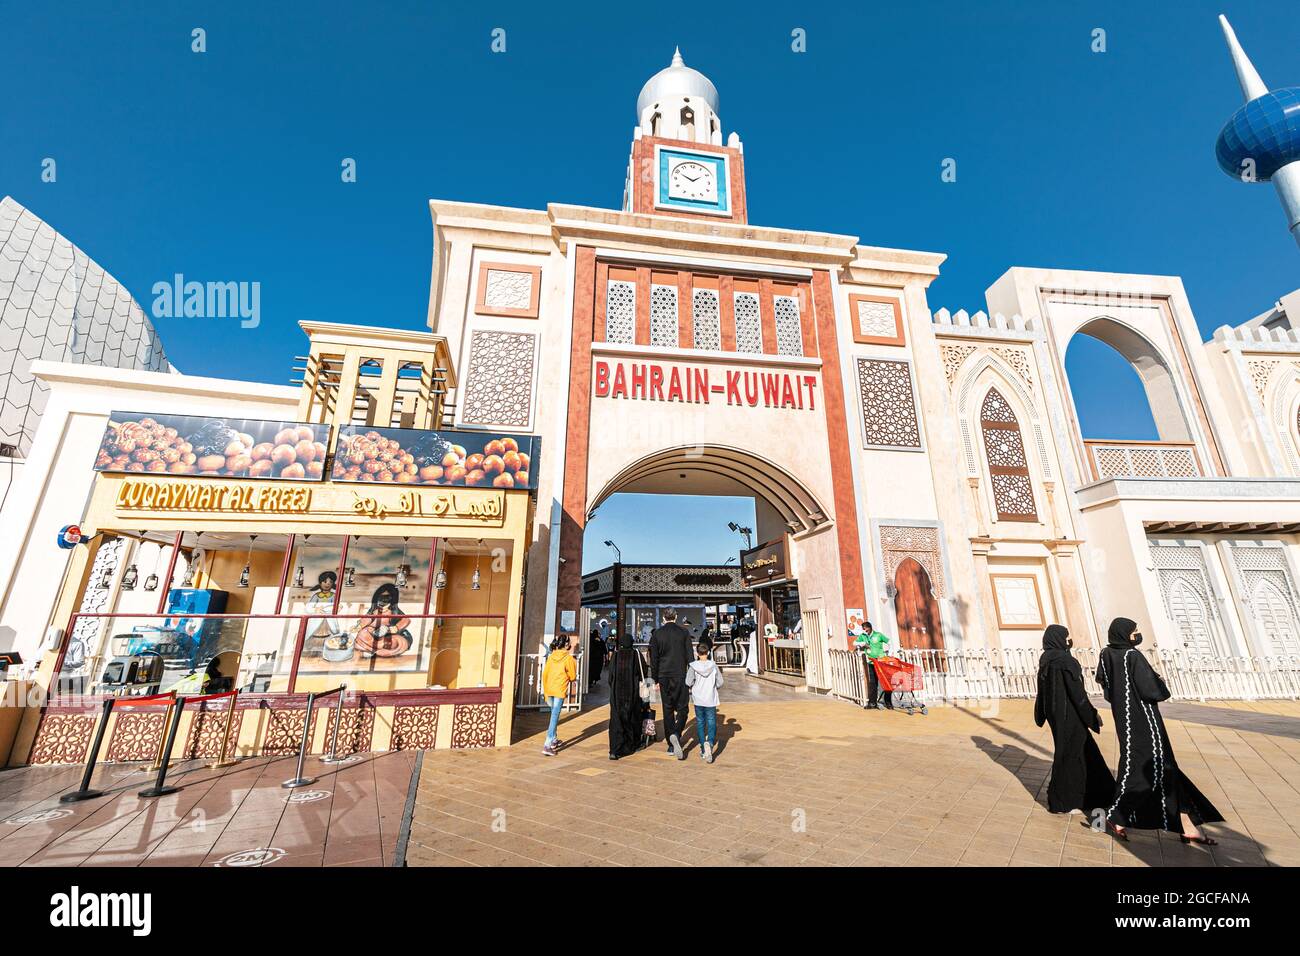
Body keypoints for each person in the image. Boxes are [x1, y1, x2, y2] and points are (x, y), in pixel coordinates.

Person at [1095, 617, 1223, 844]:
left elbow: (1105, 686)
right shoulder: (1132, 656)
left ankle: (1188, 826)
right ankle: (1117, 815)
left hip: (1124, 720)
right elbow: (1153, 691)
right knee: (1147, 767)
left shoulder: (1106, 655)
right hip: (1145, 721)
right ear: (1125, 634)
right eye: (1134, 631)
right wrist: (1160, 682)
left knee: (1166, 770)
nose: (1137, 634)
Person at [1033, 624, 1115, 815]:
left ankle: (1100, 794)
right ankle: (1063, 801)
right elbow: (1078, 695)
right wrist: (1091, 716)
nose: (1069, 639)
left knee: (1086, 752)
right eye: (1067, 636)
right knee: (1069, 756)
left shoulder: (1046, 659)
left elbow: (1042, 693)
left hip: (1056, 716)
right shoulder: (1067, 662)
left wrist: (1042, 714)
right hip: (1070, 716)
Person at [650, 608, 693, 760]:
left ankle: (670, 743)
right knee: (683, 708)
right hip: (680, 675)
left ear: (663, 617)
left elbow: (653, 660)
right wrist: (692, 677)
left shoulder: (657, 634)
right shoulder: (684, 633)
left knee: (667, 709)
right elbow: (690, 657)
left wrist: (654, 679)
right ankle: (676, 733)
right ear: (676, 617)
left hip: (663, 676)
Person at [607, 631, 644, 760]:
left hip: (617, 695)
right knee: (632, 718)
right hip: (632, 694)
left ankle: (615, 749)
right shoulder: (636, 655)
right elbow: (643, 671)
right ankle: (629, 745)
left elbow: (610, 676)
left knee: (616, 720)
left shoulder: (616, 656)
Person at [686, 639, 724, 763]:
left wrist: (694, 685)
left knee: (700, 722)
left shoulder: (693, 666)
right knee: (712, 722)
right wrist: (714, 687)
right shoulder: (713, 666)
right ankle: (710, 743)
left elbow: (688, 682)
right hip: (710, 698)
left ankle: (703, 748)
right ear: (708, 653)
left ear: (697, 653)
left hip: (698, 698)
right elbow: (720, 682)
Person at [540, 635, 576, 757]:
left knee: (553, 714)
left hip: (549, 689)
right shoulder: (568, 658)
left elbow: (545, 674)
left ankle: (554, 739)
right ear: (566, 645)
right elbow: (572, 676)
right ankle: (547, 744)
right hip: (559, 689)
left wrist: (545, 690)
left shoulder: (551, 656)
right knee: (555, 716)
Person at [855, 621, 893, 710]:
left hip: (881, 662)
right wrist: (863, 644)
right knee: (873, 683)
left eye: (865, 629)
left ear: (870, 627)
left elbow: (889, 641)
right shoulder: (863, 636)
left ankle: (888, 702)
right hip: (871, 662)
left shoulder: (878, 635)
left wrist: (890, 652)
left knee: (886, 682)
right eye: (863, 629)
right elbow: (854, 643)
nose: (864, 631)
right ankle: (872, 703)